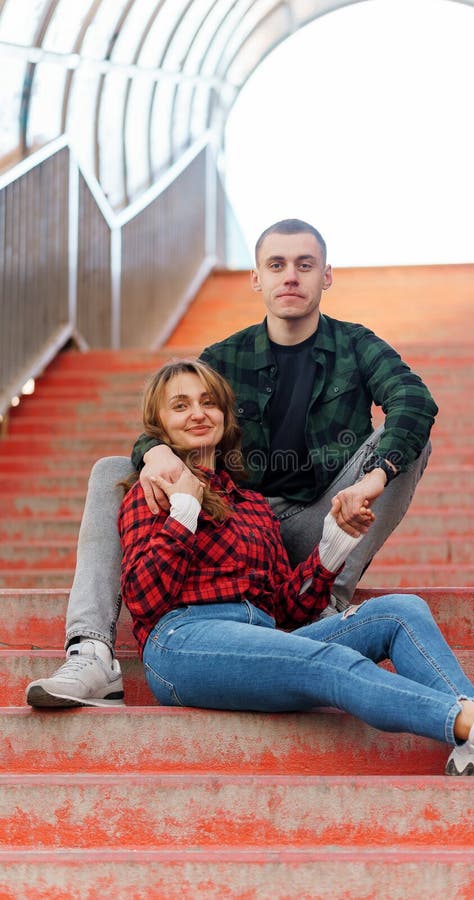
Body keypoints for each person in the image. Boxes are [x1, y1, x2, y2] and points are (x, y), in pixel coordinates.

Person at [26, 218, 440, 713]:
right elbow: (169, 419)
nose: (291, 276)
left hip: (322, 518)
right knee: (109, 471)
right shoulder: (225, 356)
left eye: (304, 265)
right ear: (257, 278)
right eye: (277, 265)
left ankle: (330, 599)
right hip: (235, 520)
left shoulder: (354, 344)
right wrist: (154, 451)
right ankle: (91, 649)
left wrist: (374, 478)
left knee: (407, 442)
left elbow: (413, 399)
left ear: (325, 276)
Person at [116, 359, 474, 777]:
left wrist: (334, 541)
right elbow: (143, 600)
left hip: (264, 635)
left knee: (399, 611)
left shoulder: (251, 505)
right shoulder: (152, 491)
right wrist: (183, 511)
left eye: (208, 402)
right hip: (182, 643)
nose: (198, 413)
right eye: (180, 406)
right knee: (328, 662)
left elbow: (285, 608)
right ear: (158, 424)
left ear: (224, 414)